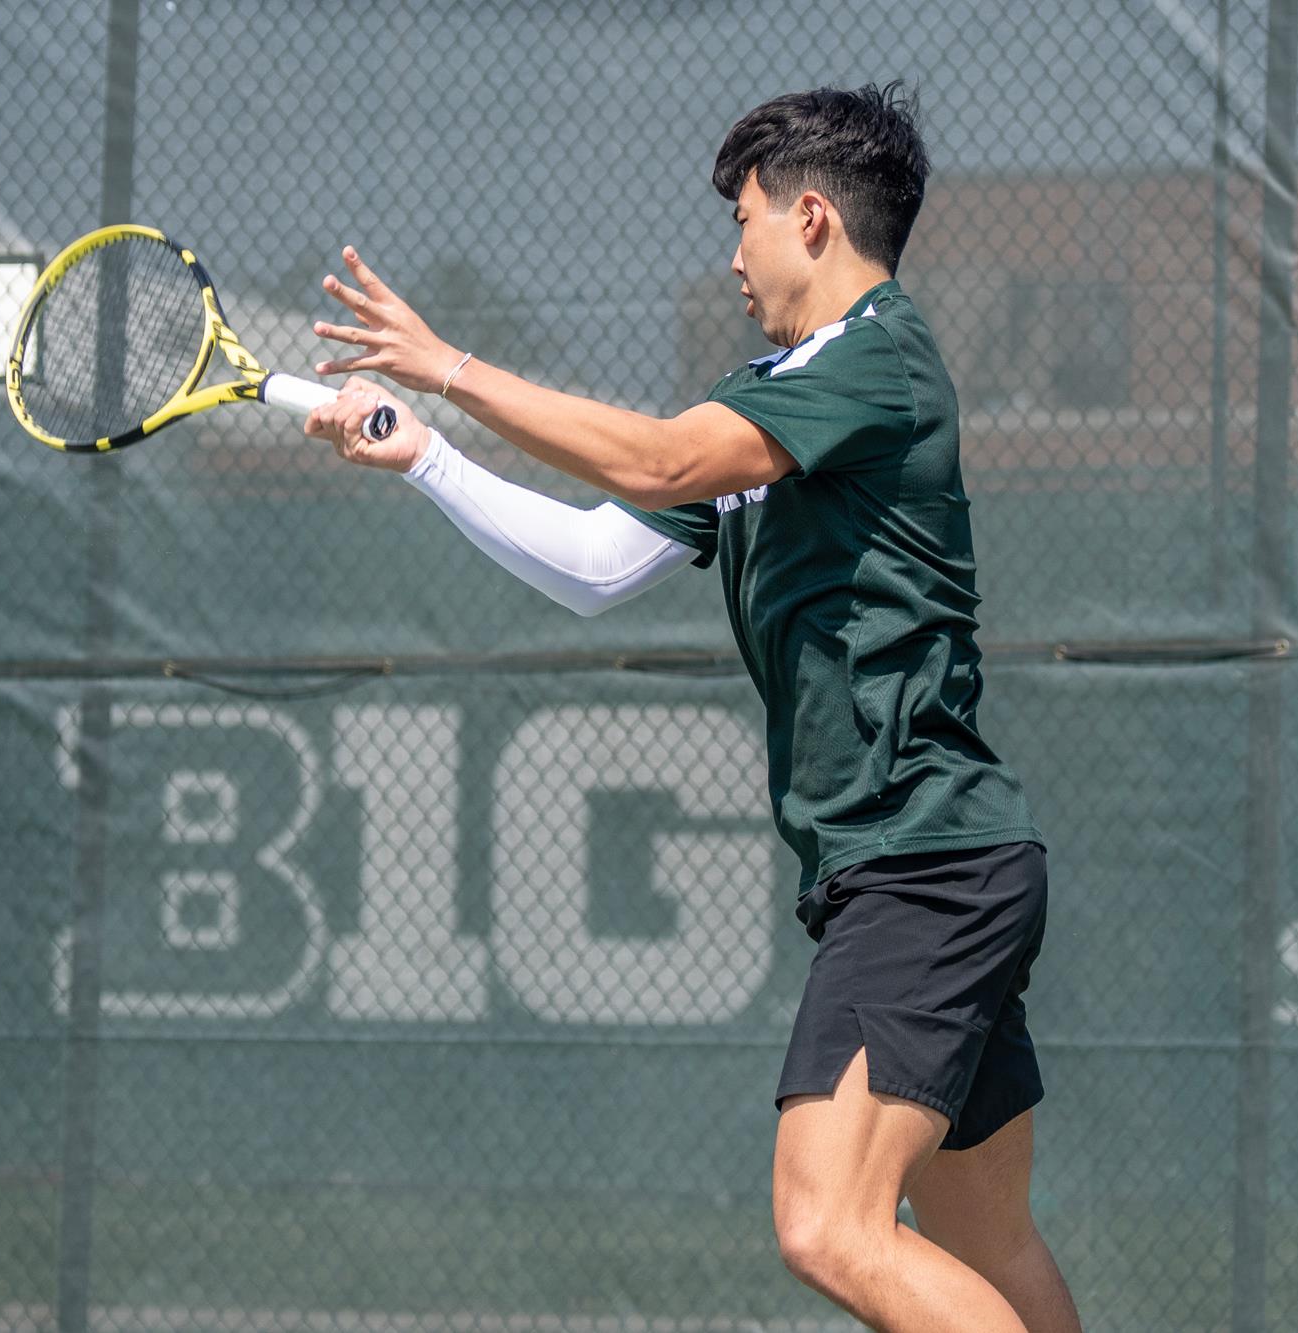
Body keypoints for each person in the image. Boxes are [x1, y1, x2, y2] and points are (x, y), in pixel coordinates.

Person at [302, 82, 1082, 1333]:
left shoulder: (873, 357)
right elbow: (600, 564)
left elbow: (660, 457)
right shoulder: (780, 397)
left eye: (746, 219)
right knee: (985, 1246)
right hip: (935, 862)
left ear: (812, 218)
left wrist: (449, 370)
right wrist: (430, 457)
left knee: (826, 1224)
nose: (731, 255)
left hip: (919, 865)